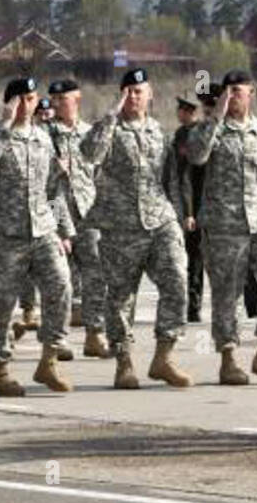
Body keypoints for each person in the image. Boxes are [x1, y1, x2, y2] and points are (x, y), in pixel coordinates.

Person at [80, 67, 192, 389]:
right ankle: (123, 359)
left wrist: (180, 213)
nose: (133, 97)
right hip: (120, 226)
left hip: (159, 219)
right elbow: (90, 154)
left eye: (139, 90)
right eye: (127, 91)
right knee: (119, 297)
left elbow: (170, 177)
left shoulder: (158, 131)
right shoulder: (110, 129)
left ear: (151, 95)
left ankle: (164, 355)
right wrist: (111, 115)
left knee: (177, 278)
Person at [0, 77, 77, 396]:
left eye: (33, 98)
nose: (29, 104)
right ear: (10, 102)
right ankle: (1, 371)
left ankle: (48, 361)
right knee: (2, 303)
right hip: (5, 235)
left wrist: (64, 229)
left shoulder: (43, 139)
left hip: (43, 230)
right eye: (23, 99)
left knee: (61, 285)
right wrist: (5, 124)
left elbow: (53, 189)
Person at [184, 70, 257, 386]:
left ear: (251, 93)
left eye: (239, 91)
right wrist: (216, 115)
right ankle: (228, 359)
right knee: (227, 294)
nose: (234, 97)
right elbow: (197, 157)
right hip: (223, 226)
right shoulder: (210, 130)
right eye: (229, 92)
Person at [47, 79, 108, 356]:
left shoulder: (89, 134)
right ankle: (58, 339)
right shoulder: (44, 135)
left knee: (96, 274)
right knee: (60, 280)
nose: (58, 103)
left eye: (63, 98)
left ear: (77, 98)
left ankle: (95, 333)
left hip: (89, 213)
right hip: (57, 213)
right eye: (54, 99)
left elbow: (99, 175)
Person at [168, 94, 206, 323]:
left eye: (182, 110)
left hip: (195, 203)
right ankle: (190, 304)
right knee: (189, 257)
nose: (178, 113)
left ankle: (193, 305)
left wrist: (189, 212)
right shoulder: (181, 134)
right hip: (187, 203)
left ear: (189, 111)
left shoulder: (192, 135)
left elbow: (186, 177)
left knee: (194, 257)